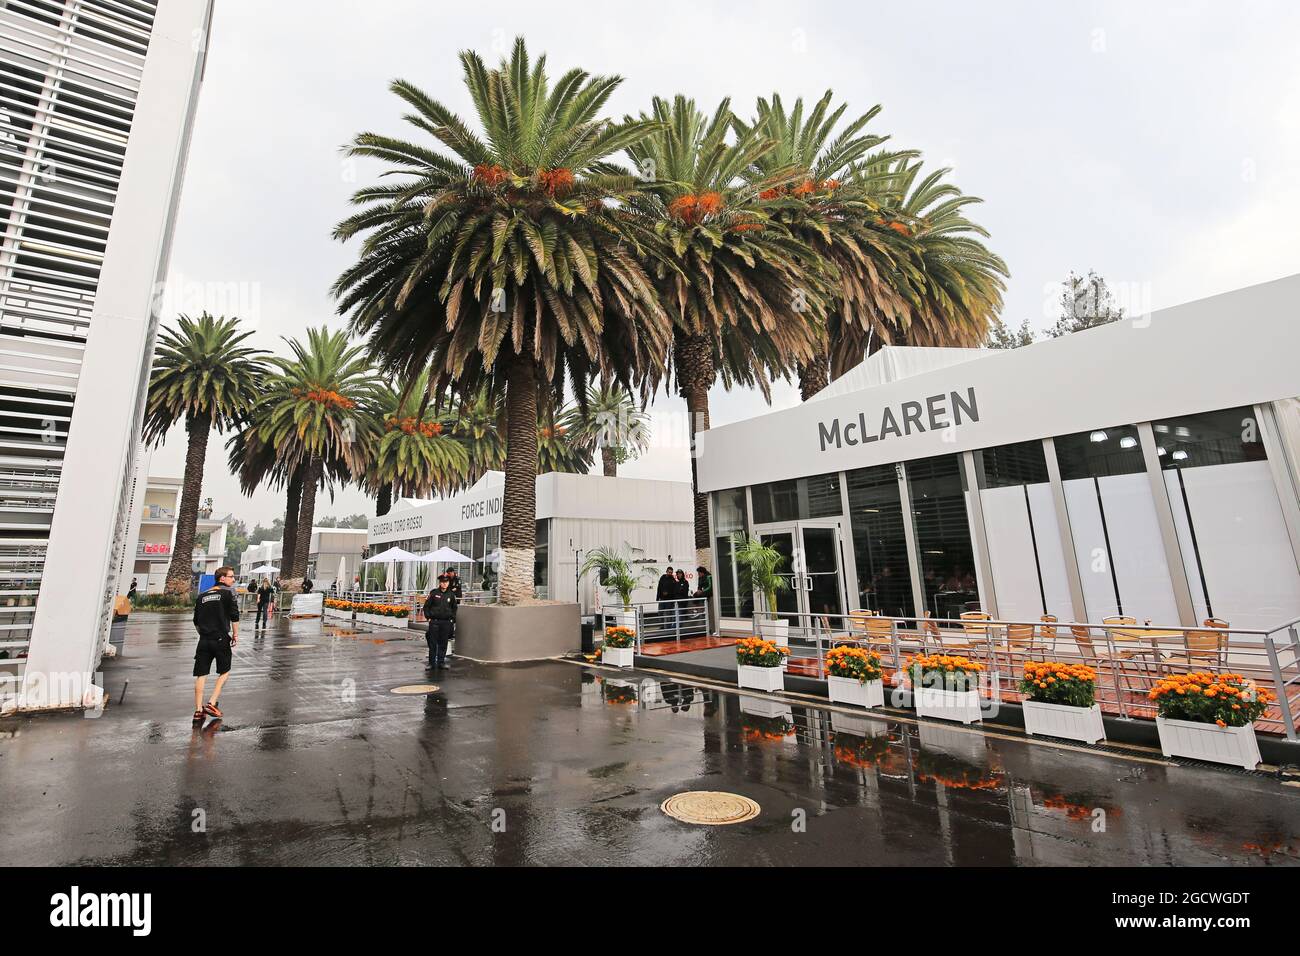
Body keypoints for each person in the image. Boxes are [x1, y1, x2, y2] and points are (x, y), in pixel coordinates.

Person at [192, 565, 239, 722]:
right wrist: (235, 635)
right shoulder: (228, 592)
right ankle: (212, 702)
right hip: (220, 638)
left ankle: (198, 710)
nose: (233, 579)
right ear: (222, 578)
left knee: (201, 674)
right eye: (231, 576)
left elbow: (196, 621)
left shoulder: (202, 595)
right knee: (224, 671)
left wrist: (203, 634)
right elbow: (234, 616)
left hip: (204, 640)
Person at [423, 574, 457, 670]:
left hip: (446, 622)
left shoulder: (451, 594)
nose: (444, 584)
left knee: (443, 643)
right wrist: (428, 617)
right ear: (440, 583)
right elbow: (426, 607)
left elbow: (454, 608)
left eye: (446, 582)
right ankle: (431, 663)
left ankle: (441, 662)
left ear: (448, 583)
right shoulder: (434, 593)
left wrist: (452, 619)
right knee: (433, 643)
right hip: (435, 622)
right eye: (443, 582)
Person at [693, 566, 713, 634]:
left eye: (699, 573)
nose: (698, 574)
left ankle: (703, 609)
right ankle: (696, 610)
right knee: (695, 595)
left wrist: (703, 591)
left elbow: (710, 587)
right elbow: (699, 586)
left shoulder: (709, 576)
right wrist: (699, 590)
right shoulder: (700, 578)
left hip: (709, 592)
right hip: (703, 591)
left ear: (702, 572)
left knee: (704, 596)